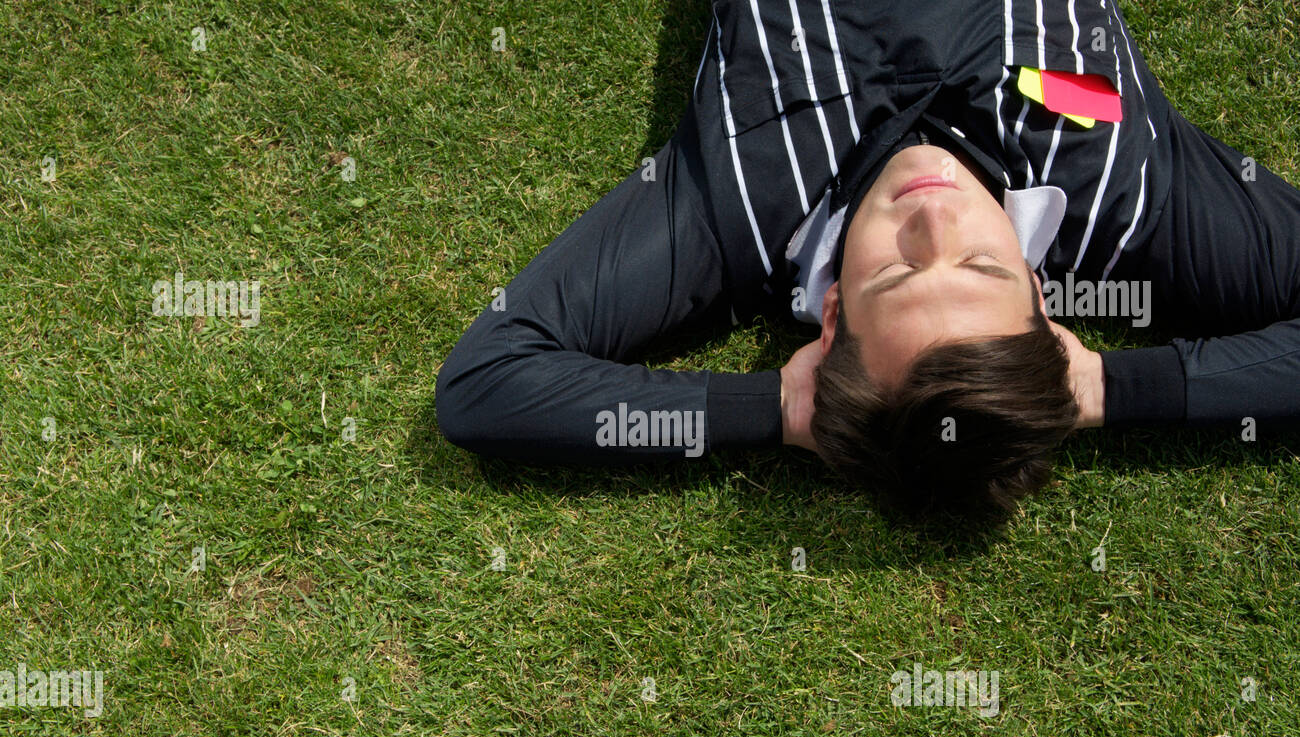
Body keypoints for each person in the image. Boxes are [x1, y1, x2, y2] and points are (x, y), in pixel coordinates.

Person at [436, 0, 1300, 516]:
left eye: (894, 273)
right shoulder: (1125, 193)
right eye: (983, 266)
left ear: (833, 313)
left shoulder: (738, 213)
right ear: (1043, 296)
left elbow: (491, 384)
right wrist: (1107, 387)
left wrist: (778, 407)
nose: (935, 217)